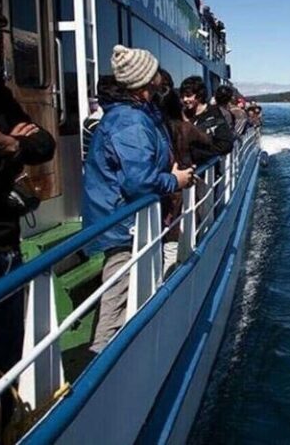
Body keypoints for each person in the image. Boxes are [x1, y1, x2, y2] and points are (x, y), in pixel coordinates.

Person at [83, 45, 194, 353]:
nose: (161, 78)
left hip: (128, 218)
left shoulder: (139, 113)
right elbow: (138, 181)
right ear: (145, 83)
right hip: (123, 222)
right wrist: (176, 179)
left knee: (131, 286)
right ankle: (101, 359)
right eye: (156, 72)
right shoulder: (129, 122)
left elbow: (141, 164)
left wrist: (167, 165)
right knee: (118, 293)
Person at [0, 1, 56, 376]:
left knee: (6, 339)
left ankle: (4, 417)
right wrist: (12, 149)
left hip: (2, 238)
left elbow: (43, 143)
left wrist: (8, 145)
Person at [154, 71, 212, 275]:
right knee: (173, 241)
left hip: (157, 197)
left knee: (163, 241)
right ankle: (169, 282)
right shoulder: (184, 128)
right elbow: (213, 144)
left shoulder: (151, 128)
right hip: (175, 194)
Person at [179, 76, 234, 163]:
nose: (185, 99)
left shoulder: (214, 115)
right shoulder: (181, 114)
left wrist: (196, 153)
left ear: (199, 95)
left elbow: (226, 144)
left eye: (188, 96)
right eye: (182, 96)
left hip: (206, 170)